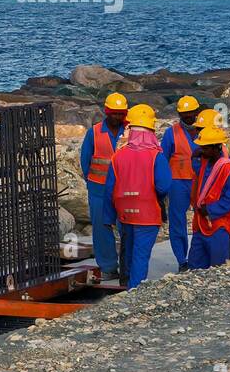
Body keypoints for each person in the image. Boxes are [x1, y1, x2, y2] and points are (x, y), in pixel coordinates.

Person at [102, 104, 171, 289]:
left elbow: (109, 189)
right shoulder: (156, 156)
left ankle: (127, 286)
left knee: (129, 253)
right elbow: (164, 186)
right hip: (148, 215)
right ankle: (134, 292)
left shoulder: (118, 156)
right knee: (140, 255)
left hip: (125, 214)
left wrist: (108, 217)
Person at [80, 92, 129, 281]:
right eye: (114, 113)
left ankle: (127, 266)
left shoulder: (130, 131)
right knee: (101, 228)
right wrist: (91, 182)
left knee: (126, 227)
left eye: (121, 113)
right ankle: (108, 267)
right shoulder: (94, 132)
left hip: (124, 189)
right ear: (107, 112)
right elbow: (86, 160)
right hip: (99, 188)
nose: (118, 117)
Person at [187, 126, 230, 270]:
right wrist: (195, 153)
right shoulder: (205, 162)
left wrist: (211, 210)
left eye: (205, 148)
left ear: (215, 148)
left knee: (218, 269)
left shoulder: (227, 169)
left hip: (219, 225)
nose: (202, 150)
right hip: (201, 222)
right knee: (194, 266)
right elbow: (195, 166)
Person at [160, 96, 201, 270]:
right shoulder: (171, 133)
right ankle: (182, 259)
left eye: (190, 113)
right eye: (184, 114)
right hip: (177, 182)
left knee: (205, 218)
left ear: (196, 112)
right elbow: (162, 160)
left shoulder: (205, 130)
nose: (187, 117)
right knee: (177, 222)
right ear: (179, 114)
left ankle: (202, 255)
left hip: (201, 181)